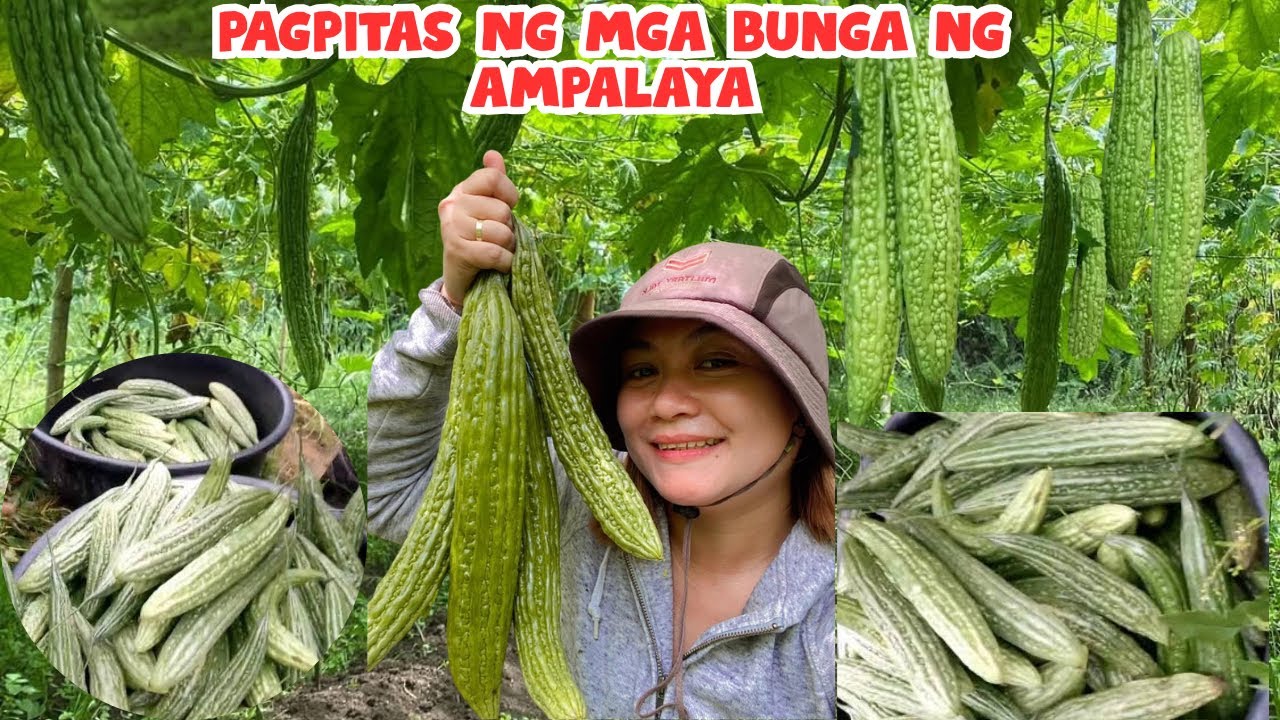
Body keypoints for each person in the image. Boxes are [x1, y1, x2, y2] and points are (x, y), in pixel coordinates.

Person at [367, 151, 836, 720]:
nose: (666, 402)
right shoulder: (573, 505)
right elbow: (390, 496)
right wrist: (453, 307)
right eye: (642, 372)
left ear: (796, 398)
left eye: (716, 363)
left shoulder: (855, 608)